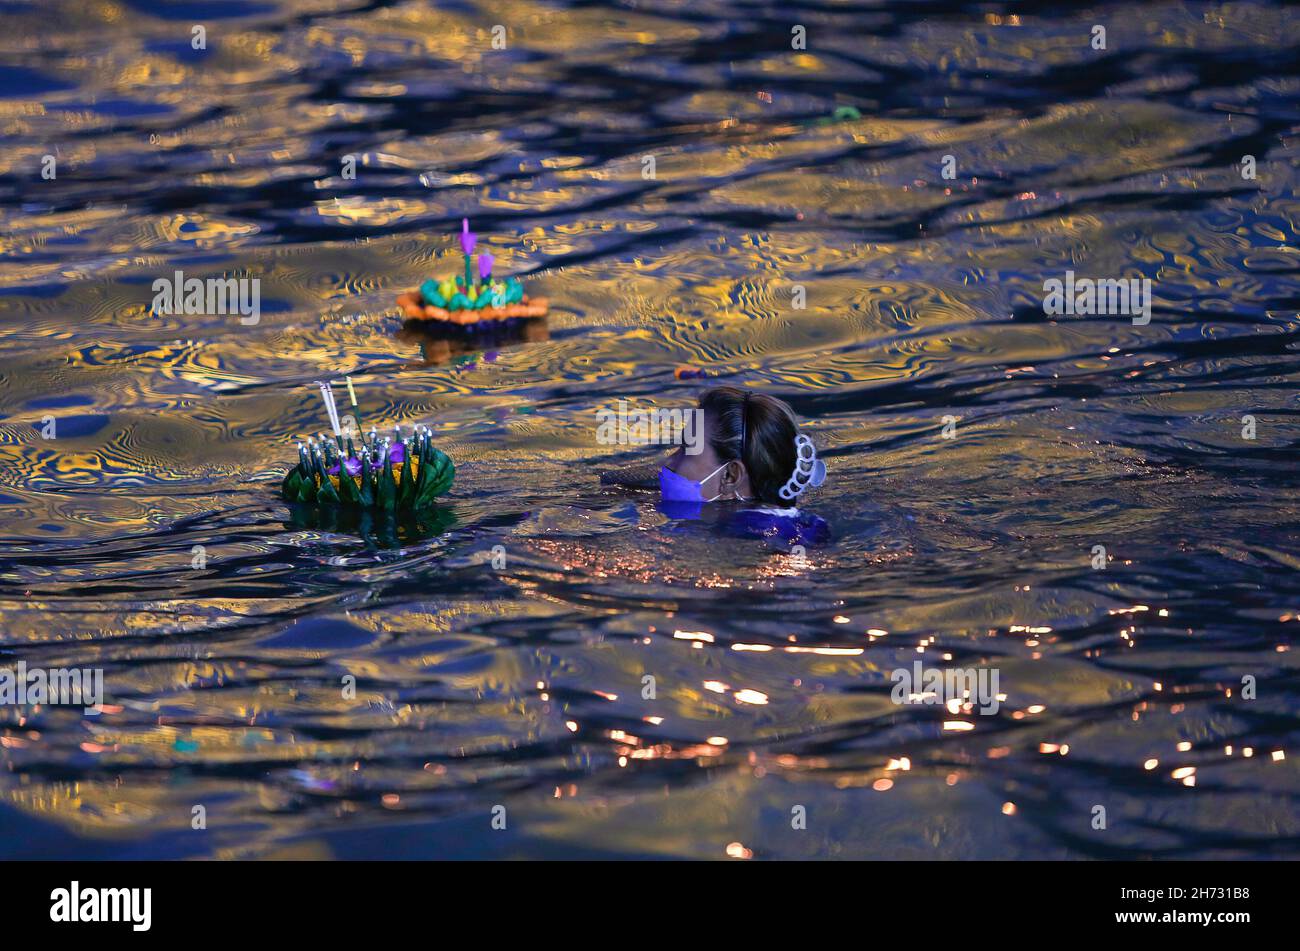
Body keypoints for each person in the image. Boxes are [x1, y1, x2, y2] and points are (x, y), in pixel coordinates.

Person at [654, 386, 829, 544]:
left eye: (686, 449)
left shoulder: (749, 534)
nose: (667, 461)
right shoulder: (800, 525)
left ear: (731, 476)